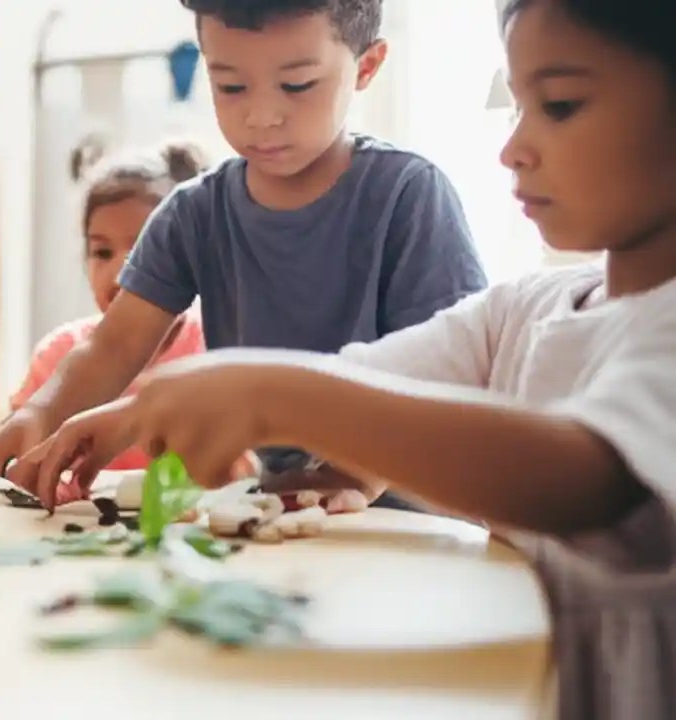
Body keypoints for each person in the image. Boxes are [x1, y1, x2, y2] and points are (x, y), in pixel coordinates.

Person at [37, 0, 676, 715]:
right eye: (517, 106)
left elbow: (587, 481)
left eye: (559, 105)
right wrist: (142, 410)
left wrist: (271, 395)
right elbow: (364, 375)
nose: (512, 149)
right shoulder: (523, 310)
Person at [0, 0, 487, 500]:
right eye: (230, 86)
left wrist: (354, 475)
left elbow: (444, 375)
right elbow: (113, 347)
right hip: (282, 514)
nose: (261, 115)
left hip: (411, 516)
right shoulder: (195, 212)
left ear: (366, 67)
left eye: (297, 86)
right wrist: (41, 413)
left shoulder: (408, 196)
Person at [9, 138, 209, 472]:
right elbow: (20, 450)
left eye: (145, 250)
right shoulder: (57, 354)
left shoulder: (214, 346)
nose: (120, 274)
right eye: (102, 252)